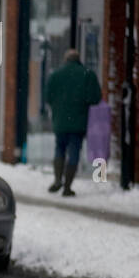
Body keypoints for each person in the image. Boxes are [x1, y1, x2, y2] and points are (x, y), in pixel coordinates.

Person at [45, 48, 102, 196]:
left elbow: (48, 97)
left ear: (66, 59)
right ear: (78, 59)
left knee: (59, 149)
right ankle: (67, 187)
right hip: (78, 122)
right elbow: (95, 98)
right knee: (74, 152)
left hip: (60, 121)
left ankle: (58, 180)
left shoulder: (55, 75)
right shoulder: (87, 74)